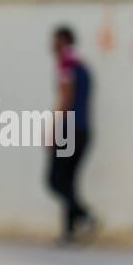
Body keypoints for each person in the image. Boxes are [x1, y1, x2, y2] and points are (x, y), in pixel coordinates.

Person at [46, 26, 95, 242]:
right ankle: (70, 232)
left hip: (70, 130)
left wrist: (54, 130)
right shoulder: (83, 66)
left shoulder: (66, 64)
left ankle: (86, 216)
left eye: (55, 40)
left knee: (55, 181)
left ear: (64, 42)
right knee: (68, 182)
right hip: (83, 129)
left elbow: (66, 99)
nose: (51, 45)